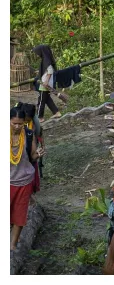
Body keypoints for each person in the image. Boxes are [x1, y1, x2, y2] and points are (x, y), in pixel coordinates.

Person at [10, 105, 43, 250]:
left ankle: (12, 245)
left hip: (24, 181)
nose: (17, 126)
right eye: (14, 123)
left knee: (20, 213)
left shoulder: (29, 135)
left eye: (20, 123)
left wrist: (39, 154)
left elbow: (32, 155)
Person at [32, 45, 65, 119]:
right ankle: (56, 112)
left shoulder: (46, 60)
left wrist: (46, 81)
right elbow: (46, 70)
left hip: (45, 84)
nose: (37, 54)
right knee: (47, 99)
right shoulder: (45, 59)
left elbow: (50, 71)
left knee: (41, 101)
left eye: (37, 53)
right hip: (45, 83)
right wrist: (40, 72)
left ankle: (40, 117)